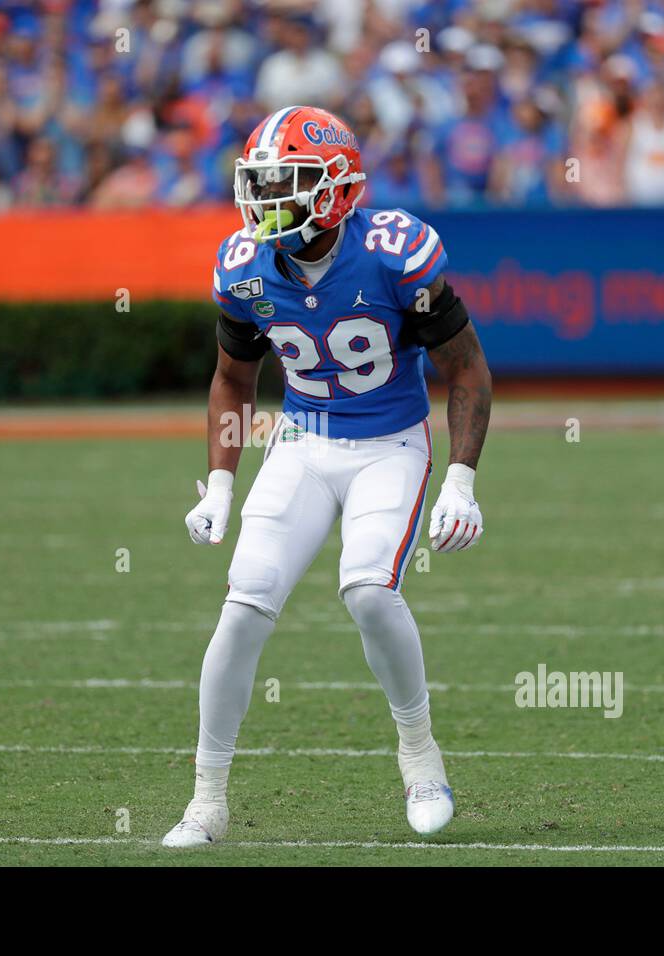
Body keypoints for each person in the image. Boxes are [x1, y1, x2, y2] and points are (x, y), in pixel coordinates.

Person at [163, 107, 493, 847]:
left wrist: (462, 479)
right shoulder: (244, 268)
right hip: (303, 442)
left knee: (368, 591)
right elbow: (231, 379)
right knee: (243, 604)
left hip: (389, 444)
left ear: (337, 190)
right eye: (262, 185)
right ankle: (206, 800)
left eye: (287, 186)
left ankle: (420, 756)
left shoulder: (393, 253)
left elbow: (465, 366)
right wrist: (219, 481)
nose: (266, 203)